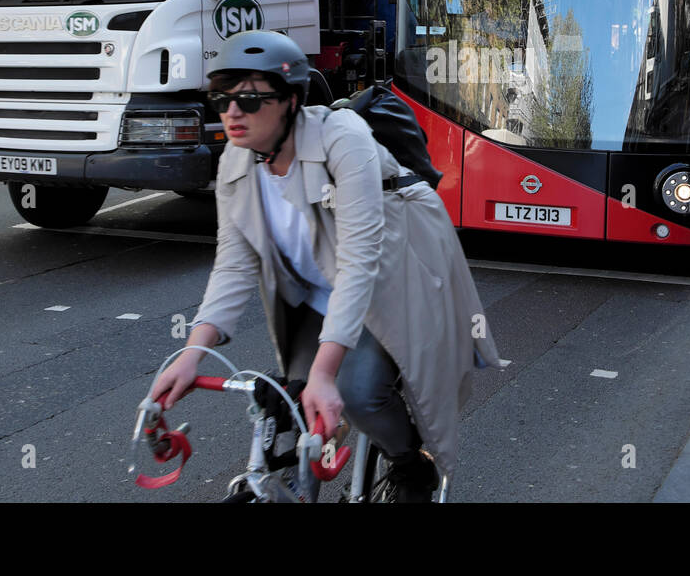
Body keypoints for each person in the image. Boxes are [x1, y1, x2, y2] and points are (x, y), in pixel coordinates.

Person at [151, 30, 501, 501]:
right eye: (221, 98)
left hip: (387, 277)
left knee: (357, 392)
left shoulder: (343, 139)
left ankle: (408, 462)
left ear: (291, 101)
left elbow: (360, 262)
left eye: (250, 100)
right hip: (319, 286)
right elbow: (233, 267)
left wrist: (325, 370)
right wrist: (191, 355)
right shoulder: (237, 159)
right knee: (297, 399)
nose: (232, 113)